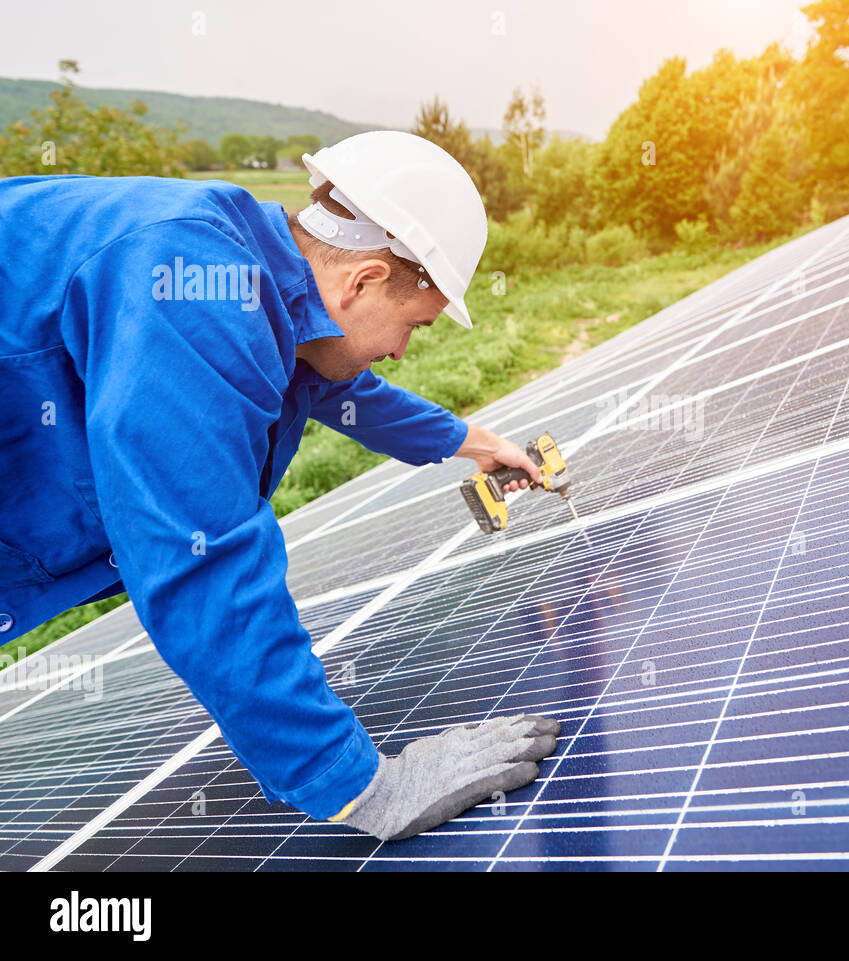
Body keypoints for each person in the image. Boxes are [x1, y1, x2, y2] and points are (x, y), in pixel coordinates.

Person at [0, 131, 560, 841]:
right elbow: (201, 558)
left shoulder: (253, 274)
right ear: (363, 280)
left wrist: (480, 445)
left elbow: (341, 387)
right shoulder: (193, 293)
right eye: (411, 326)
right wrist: (367, 786)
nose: (399, 351)